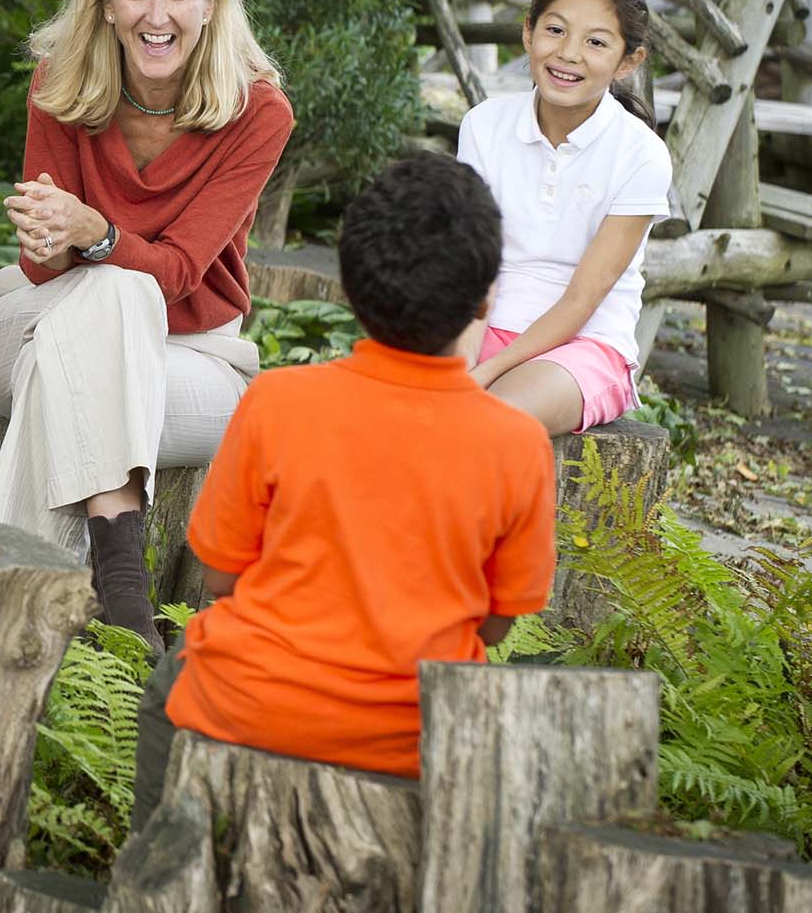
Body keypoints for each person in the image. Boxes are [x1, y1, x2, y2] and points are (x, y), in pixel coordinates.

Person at [129, 155, 556, 826]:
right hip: (410, 745)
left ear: (350, 291)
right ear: (485, 298)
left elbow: (218, 577)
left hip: (244, 707)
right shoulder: (518, 443)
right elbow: (500, 621)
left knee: (165, 694)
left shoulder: (277, 401)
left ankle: (152, 873)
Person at [0, 0, 293, 655]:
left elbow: (179, 273)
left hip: (193, 358)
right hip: (38, 322)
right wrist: (55, 236)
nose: (159, 13)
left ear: (212, 2)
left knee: (92, 339)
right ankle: (124, 598)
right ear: (106, 3)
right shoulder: (60, 83)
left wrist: (98, 232)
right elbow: (38, 266)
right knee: (99, 301)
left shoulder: (258, 110)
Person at [457, 0, 672, 437]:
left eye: (596, 42)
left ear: (627, 62)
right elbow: (479, 264)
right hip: (481, 321)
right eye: (555, 30)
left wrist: (485, 375)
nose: (569, 53)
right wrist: (465, 357)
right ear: (529, 32)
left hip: (584, 347)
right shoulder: (484, 125)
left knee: (482, 425)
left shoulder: (641, 154)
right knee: (397, 405)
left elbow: (581, 300)